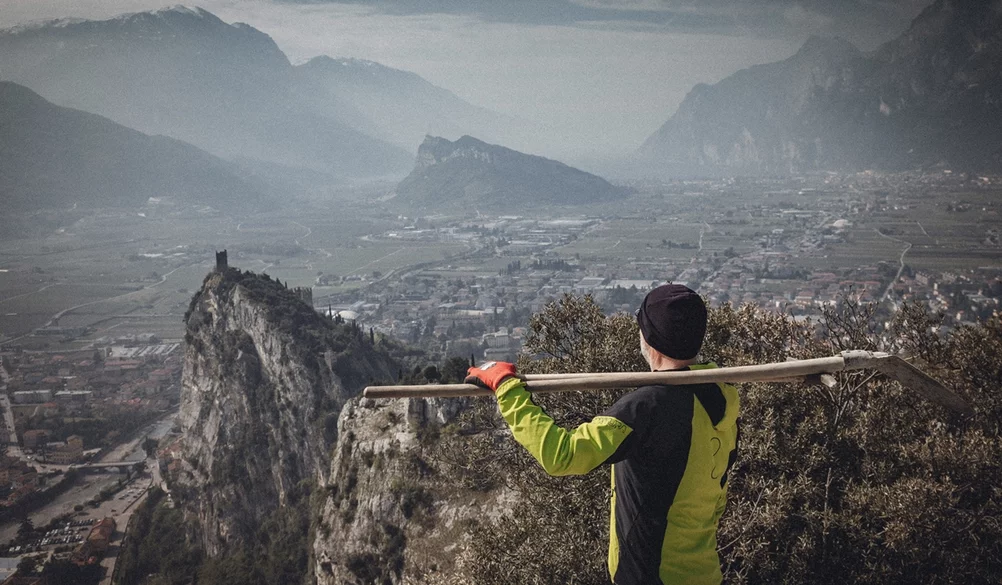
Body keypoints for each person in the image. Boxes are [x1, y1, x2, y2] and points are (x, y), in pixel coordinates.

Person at [465, 284, 739, 585]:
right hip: (705, 573)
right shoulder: (722, 394)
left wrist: (506, 389)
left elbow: (563, 455)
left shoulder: (650, 406)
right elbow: (718, 500)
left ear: (648, 340)